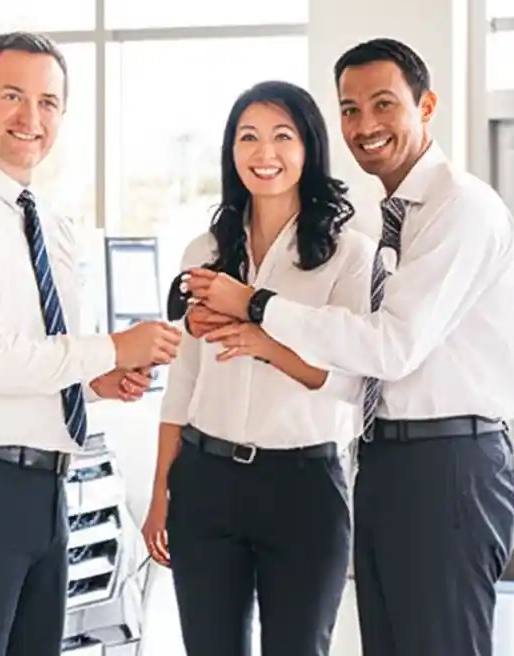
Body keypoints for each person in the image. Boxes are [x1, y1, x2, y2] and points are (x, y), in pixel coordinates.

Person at [187, 38, 514, 656]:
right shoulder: (400, 216)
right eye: (350, 109)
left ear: (426, 106)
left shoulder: (461, 209)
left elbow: (392, 347)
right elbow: (367, 374)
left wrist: (258, 305)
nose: (365, 125)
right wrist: (261, 341)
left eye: (383, 104)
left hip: (448, 464)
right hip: (387, 461)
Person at [0, 31, 183, 656]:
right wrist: (112, 348)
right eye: (13, 96)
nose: (31, 118)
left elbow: (37, 352)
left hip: (44, 491)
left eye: (48, 102)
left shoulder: (47, 221)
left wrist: (92, 384)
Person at [143, 80, 374, 656]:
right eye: (248, 137)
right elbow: (183, 383)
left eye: (282, 136)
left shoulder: (348, 254)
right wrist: (160, 492)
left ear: (309, 148)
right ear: (231, 151)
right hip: (205, 479)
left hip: (303, 487)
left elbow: (351, 382)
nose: (264, 153)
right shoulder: (204, 251)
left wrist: (261, 340)